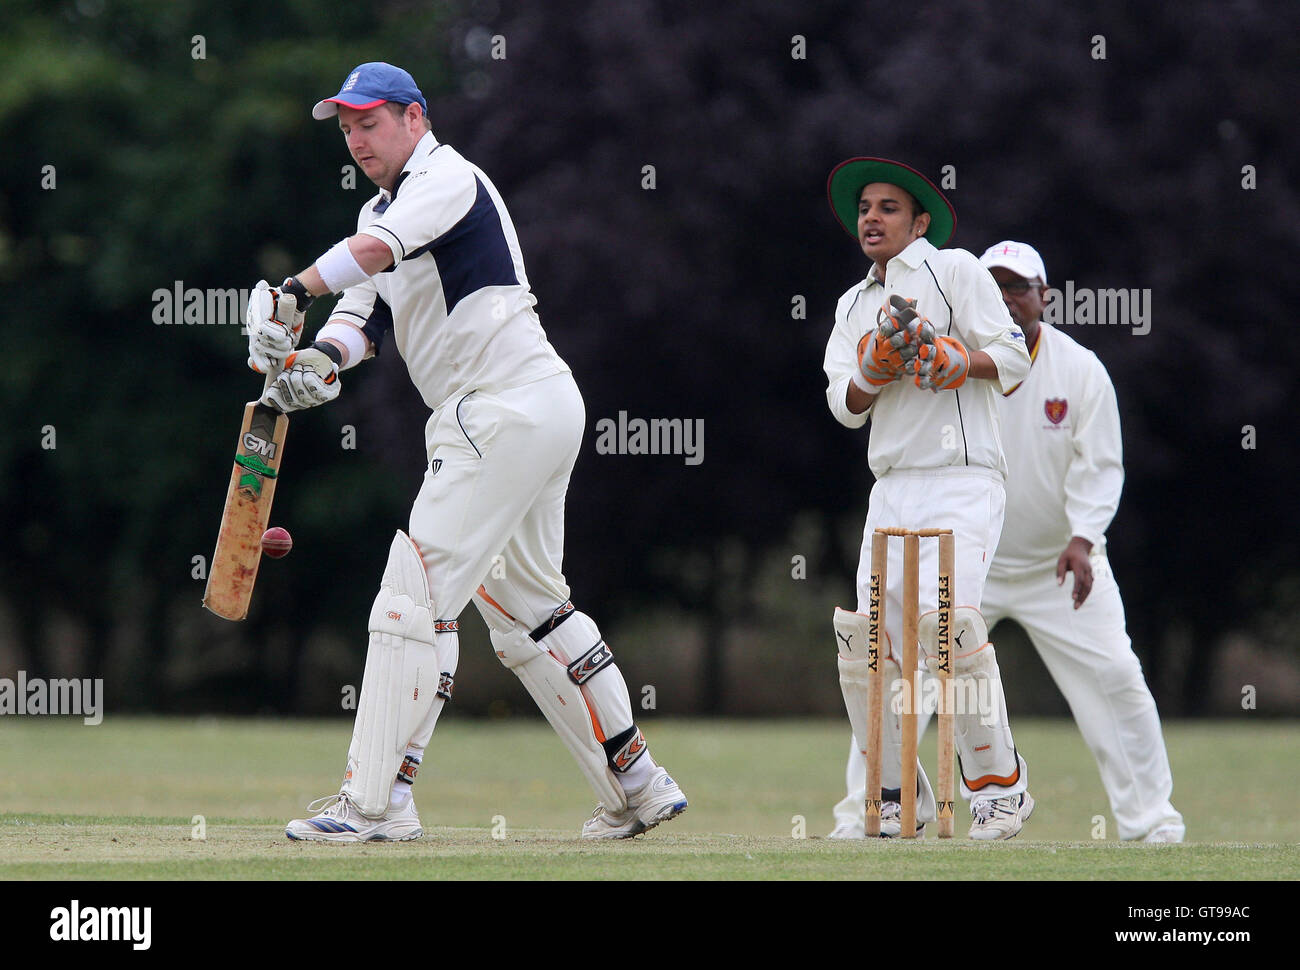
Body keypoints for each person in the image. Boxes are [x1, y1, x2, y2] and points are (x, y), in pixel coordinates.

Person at [242, 62, 687, 841]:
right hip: (528, 409)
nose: (356, 139)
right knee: (530, 613)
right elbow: (361, 320)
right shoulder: (381, 208)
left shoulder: (448, 179)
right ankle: (638, 785)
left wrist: (290, 289)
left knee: (413, 596)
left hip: (499, 407)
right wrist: (313, 364)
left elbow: (370, 258)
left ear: (415, 118)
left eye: (369, 122)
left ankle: (375, 804)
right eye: (346, 128)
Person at [831, 241, 1183, 843]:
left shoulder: (1078, 369)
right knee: (894, 669)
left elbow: (1101, 466)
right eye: (994, 286)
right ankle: (873, 807)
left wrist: (1084, 537)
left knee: (1117, 676)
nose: (1006, 298)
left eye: (1018, 287)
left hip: (1059, 565)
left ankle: (1151, 823)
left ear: (1044, 295)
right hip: (968, 555)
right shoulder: (951, 352)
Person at [822, 158, 1035, 839]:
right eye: (864, 209)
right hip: (893, 485)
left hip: (964, 476)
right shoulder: (852, 304)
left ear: (918, 222)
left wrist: (953, 359)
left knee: (953, 632)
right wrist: (872, 371)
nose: (871, 218)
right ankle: (895, 798)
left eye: (888, 208)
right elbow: (844, 405)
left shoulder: (956, 270)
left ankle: (1000, 791)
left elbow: (1013, 355)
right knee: (866, 646)